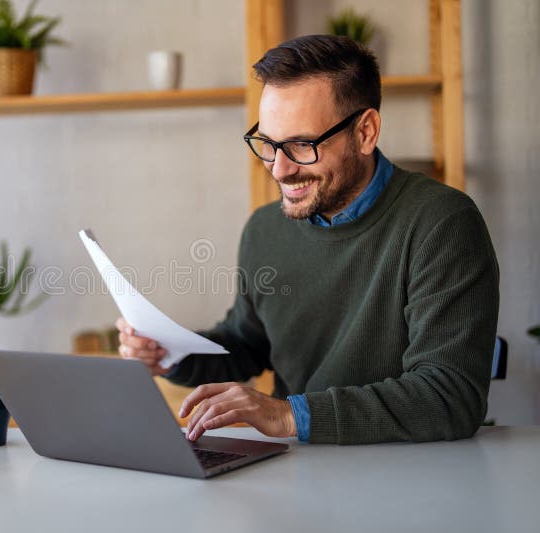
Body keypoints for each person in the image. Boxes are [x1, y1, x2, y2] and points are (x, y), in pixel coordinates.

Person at [115, 35, 499, 445]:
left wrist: (287, 416)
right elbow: (247, 344)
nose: (279, 170)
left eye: (301, 145)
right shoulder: (265, 229)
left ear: (365, 132)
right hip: (296, 470)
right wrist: (169, 352)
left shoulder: (442, 224)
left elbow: (450, 397)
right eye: (268, 143)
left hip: (405, 478)